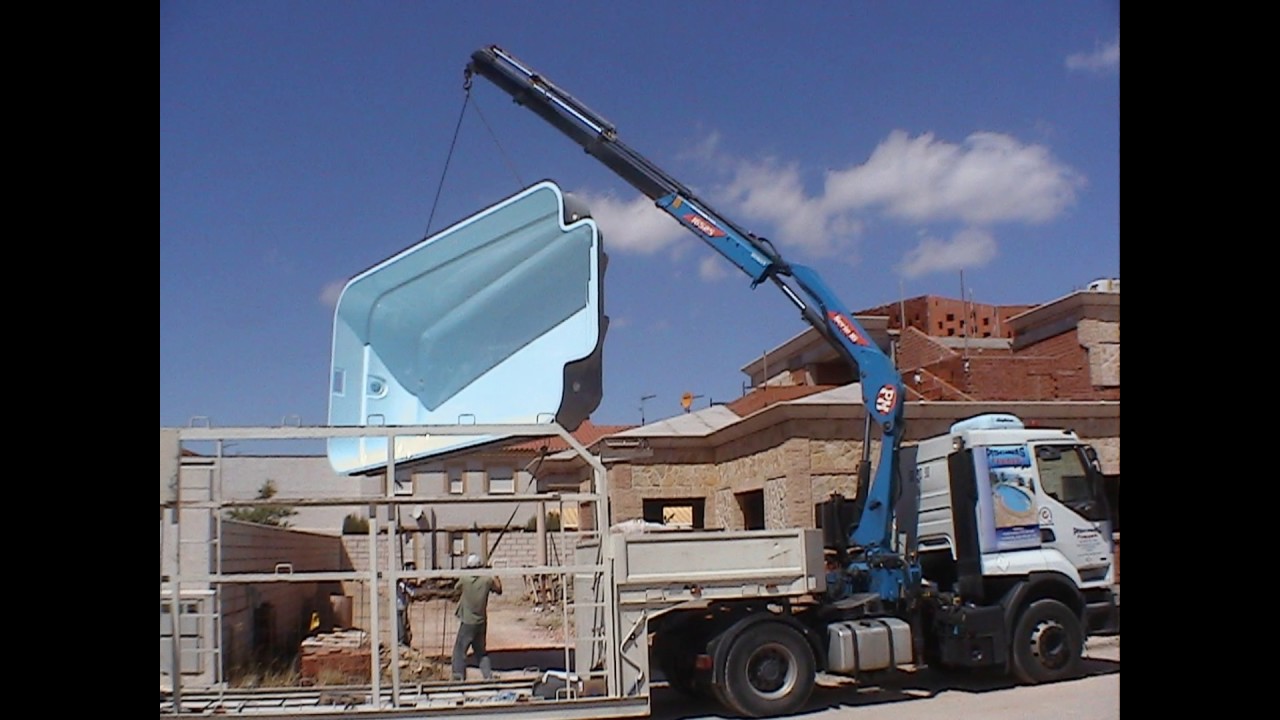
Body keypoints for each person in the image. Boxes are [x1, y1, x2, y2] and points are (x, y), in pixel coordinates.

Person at [452, 553, 502, 681]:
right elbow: (499, 589)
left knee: (459, 651)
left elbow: (455, 590)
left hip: (468, 621)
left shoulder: (465, 579)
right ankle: (487, 676)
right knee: (480, 652)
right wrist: (493, 573)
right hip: (481, 621)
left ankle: (459, 677)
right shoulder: (486, 580)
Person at [396, 562, 421, 647]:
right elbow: (411, 592)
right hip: (398, 607)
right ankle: (400, 641)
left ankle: (403, 640)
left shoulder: (405, 583)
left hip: (403, 606)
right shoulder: (401, 583)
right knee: (400, 625)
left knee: (404, 625)